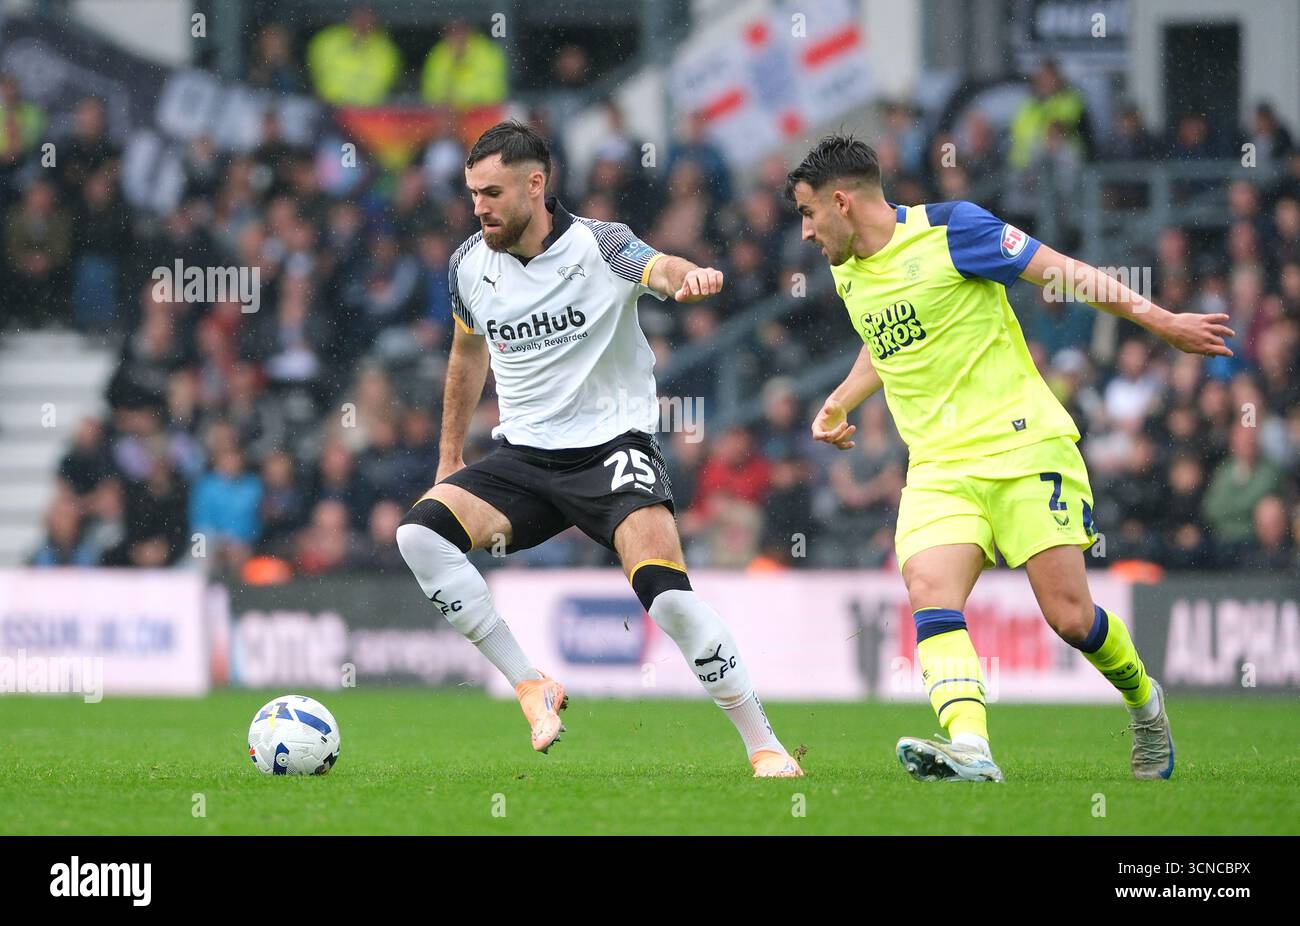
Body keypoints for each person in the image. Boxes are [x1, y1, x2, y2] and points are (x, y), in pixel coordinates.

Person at [786, 134, 1233, 782]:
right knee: (928, 588)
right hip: (939, 467)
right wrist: (841, 399)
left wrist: (1162, 321)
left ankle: (1145, 702)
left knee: (1071, 618)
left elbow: (1064, 272)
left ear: (842, 202)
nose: (804, 232)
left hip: (1023, 446)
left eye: (807, 213)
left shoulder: (954, 231)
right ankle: (971, 748)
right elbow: (885, 336)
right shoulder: (846, 266)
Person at [395, 121, 802, 777]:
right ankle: (531, 684)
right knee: (418, 535)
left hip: (613, 450)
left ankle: (764, 743)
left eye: (492, 192)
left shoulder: (600, 245)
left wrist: (687, 277)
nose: (479, 208)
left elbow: (658, 267)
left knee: (668, 599)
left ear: (536, 183)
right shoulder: (467, 264)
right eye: (473, 194)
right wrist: (449, 459)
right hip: (524, 461)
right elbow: (466, 355)